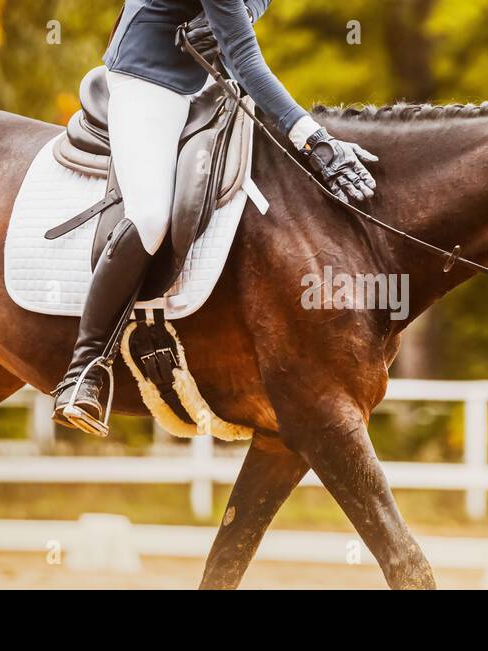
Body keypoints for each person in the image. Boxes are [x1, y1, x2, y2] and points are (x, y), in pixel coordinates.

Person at [53, 0, 379, 434]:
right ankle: (85, 369)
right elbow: (245, 58)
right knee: (150, 216)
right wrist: (314, 140)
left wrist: (237, 14)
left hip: (204, 74)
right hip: (149, 74)